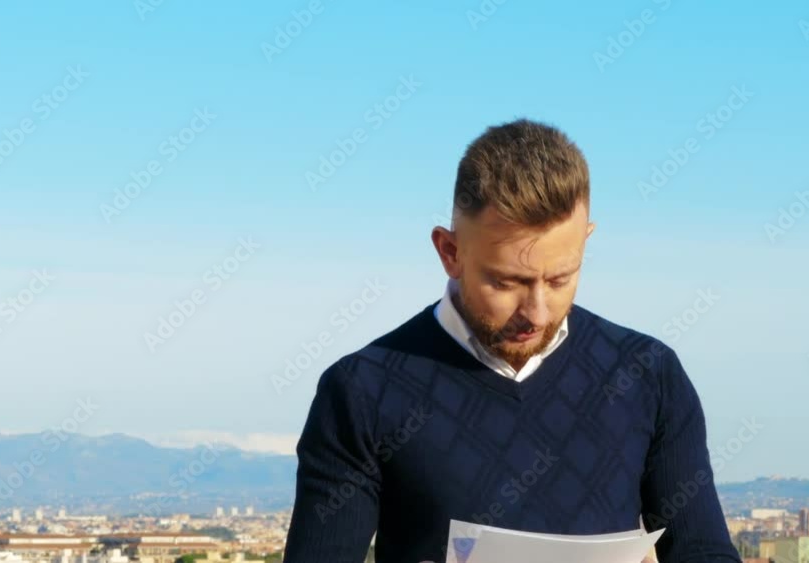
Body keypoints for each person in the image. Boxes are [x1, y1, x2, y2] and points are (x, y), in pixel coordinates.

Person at [282, 119, 741, 563]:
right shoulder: (362, 391)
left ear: (587, 239)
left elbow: (702, 551)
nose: (536, 313)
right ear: (450, 252)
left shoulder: (649, 374)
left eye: (561, 278)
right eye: (506, 283)